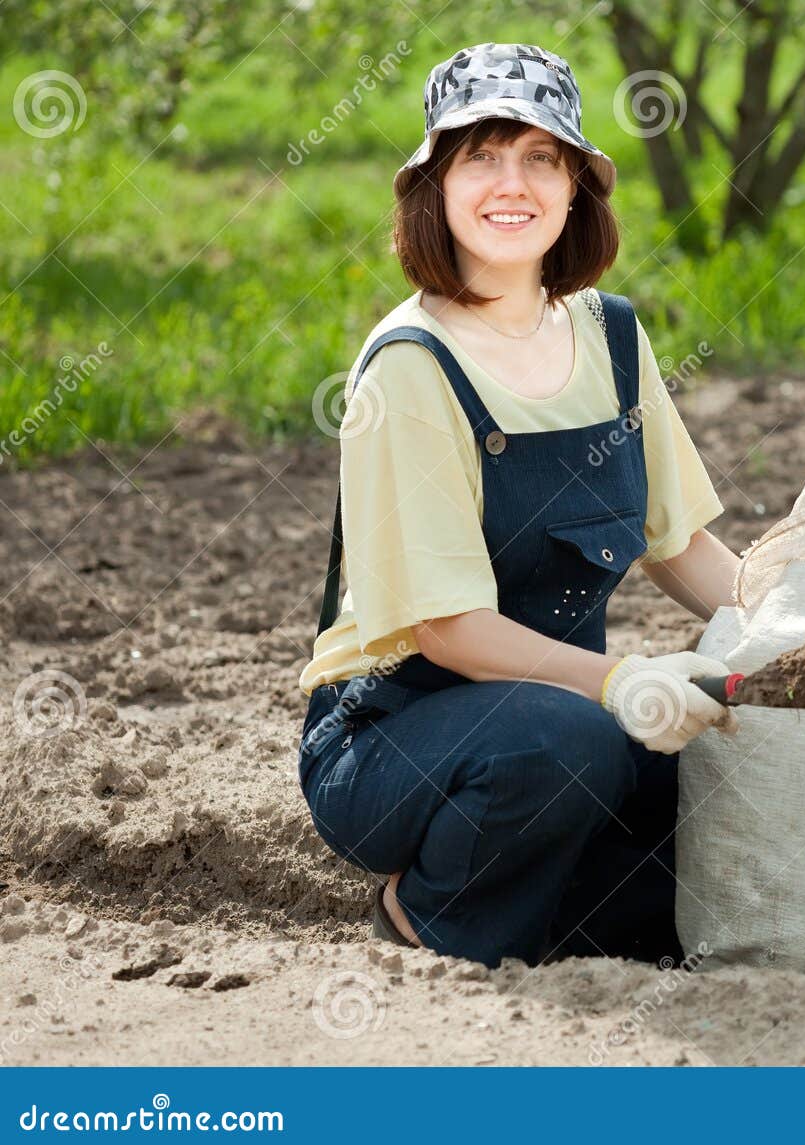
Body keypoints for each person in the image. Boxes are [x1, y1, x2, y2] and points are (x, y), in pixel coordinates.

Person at [296, 43, 742, 970]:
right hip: (398, 733)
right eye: (482, 154)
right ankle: (426, 914)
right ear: (437, 185)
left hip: (565, 710)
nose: (514, 183)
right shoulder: (409, 368)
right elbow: (451, 630)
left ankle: (553, 910)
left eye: (542, 156)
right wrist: (620, 682)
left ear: (576, 186)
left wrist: (797, 622)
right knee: (568, 744)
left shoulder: (613, 335)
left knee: (728, 756)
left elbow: (681, 545)